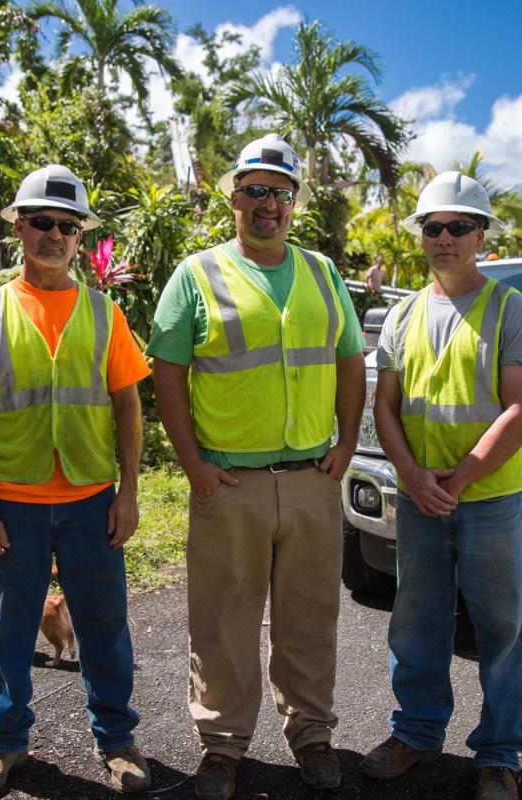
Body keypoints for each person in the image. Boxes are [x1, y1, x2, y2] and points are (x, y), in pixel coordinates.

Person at [148, 134, 366, 800]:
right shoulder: (198, 273)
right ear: (232, 197)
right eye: (254, 190)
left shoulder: (323, 274)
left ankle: (312, 736)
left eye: (279, 191)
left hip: (310, 481)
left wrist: (347, 444)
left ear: (293, 201)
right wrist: (194, 466)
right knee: (222, 621)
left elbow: (351, 360)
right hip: (229, 484)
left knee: (309, 615)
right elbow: (168, 373)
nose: (267, 203)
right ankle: (221, 748)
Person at [0, 165, 152, 796]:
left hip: (91, 500)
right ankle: (4, 744)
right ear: (19, 229)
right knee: (7, 631)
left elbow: (129, 408)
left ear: (79, 236)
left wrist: (130, 491)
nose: (53, 234)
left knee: (104, 627)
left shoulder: (104, 314)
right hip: (14, 503)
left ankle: (117, 741)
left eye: (65, 224)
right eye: (40, 222)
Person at [360, 171, 522, 800]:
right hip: (419, 499)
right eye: (433, 227)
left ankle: (498, 754)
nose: (444, 238)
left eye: (458, 227)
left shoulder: (509, 310)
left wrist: (461, 477)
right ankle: (415, 732)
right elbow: (384, 406)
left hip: (489, 499)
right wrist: (411, 475)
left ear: (481, 235)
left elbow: (520, 410)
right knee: (416, 621)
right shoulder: (403, 314)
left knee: (499, 627)